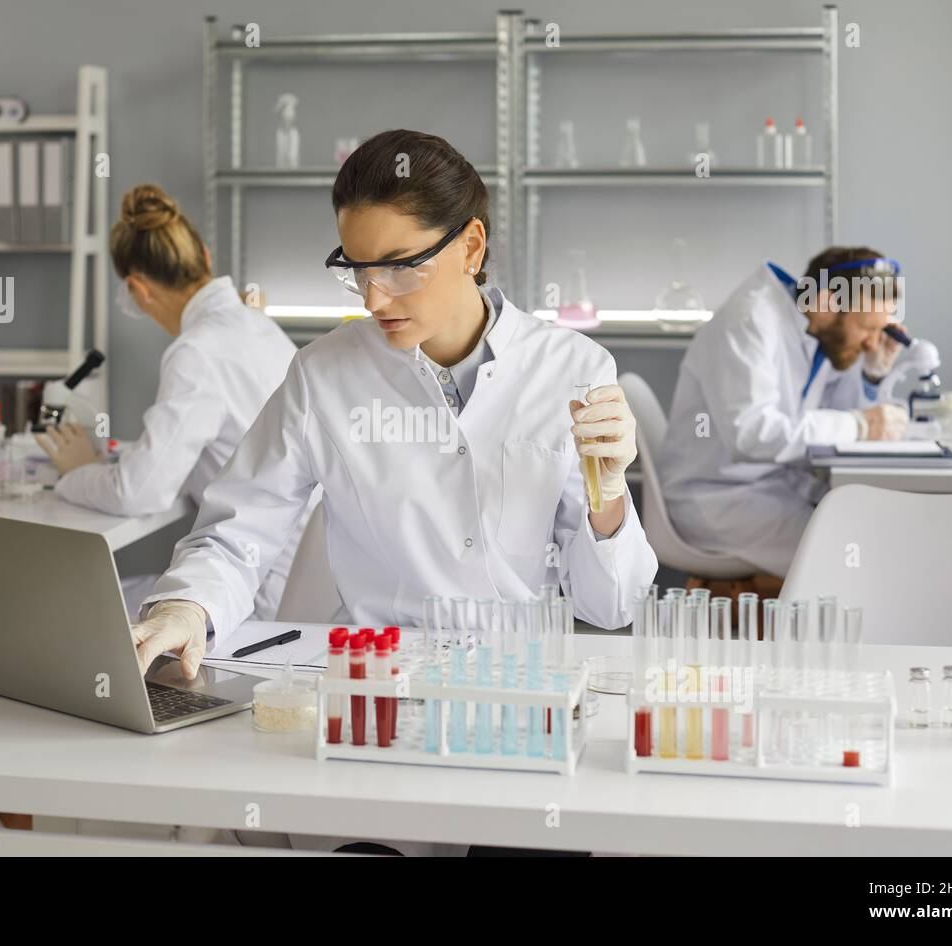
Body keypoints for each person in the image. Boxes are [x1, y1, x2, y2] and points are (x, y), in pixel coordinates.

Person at [129, 127, 657, 682]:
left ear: (470, 248)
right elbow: (237, 533)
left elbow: (611, 606)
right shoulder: (323, 375)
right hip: (374, 686)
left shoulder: (571, 369)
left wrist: (611, 492)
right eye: (358, 269)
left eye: (400, 265)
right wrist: (186, 609)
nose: (375, 298)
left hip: (518, 687)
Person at [36, 183, 302, 621]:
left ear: (139, 289)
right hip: (296, 571)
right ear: (204, 254)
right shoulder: (256, 326)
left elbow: (141, 491)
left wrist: (76, 471)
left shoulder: (196, 351)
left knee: (73, 609)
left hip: (260, 589)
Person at [660, 248, 929, 578]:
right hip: (720, 497)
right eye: (867, 328)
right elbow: (752, 435)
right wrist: (860, 425)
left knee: (880, 531)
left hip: (775, 485)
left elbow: (833, 415)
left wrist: (873, 375)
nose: (873, 343)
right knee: (859, 560)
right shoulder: (750, 322)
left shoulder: (818, 328)